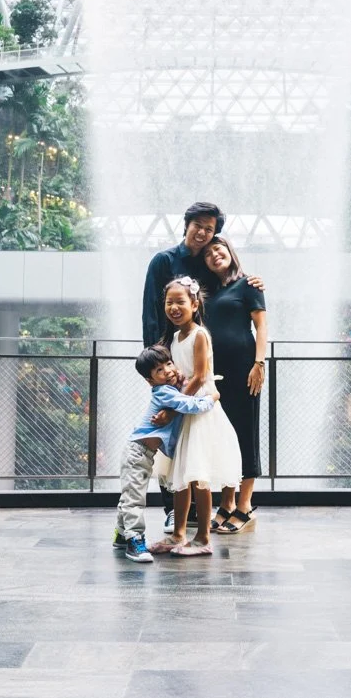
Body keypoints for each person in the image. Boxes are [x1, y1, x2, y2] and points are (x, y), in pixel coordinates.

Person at [151, 277, 242, 556]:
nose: (174, 307)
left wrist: (175, 406)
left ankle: (203, 538)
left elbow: (201, 375)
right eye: (169, 302)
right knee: (181, 474)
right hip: (185, 407)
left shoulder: (199, 334)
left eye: (180, 302)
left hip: (199, 409)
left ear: (194, 304)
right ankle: (178, 534)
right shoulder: (175, 337)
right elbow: (180, 374)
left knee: (198, 475)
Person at [111, 345, 219, 563]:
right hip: (137, 454)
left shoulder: (170, 389)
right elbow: (189, 405)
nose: (167, 370)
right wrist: (212, 397)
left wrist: (182, 381)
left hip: (141, 453)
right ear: (150, 381)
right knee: (135, 498)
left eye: (169, 364)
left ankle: (122, 534)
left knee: (130, 494)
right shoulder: (164, 392)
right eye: (159, 370)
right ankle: (135, 540)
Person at [200, 235, 266, 534]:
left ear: (230, 252)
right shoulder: (210, 292)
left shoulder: (249, 285)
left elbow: (261, 326)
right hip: (217, 372)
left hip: (244, 369)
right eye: (209, 253)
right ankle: (226, 504)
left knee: (245, 432)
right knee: (225, 435)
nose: (215, 254)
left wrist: (259, 363)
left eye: (219, 248)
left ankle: (244, 506)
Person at [140, 202, 222, 346]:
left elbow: (231, 285)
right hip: (168, 347)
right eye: (197, 225)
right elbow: (150, 311)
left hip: (203, 350)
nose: (202, 232)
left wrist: (251, 281)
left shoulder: (212, 264)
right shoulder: (163, 261)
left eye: (209, 229)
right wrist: (154, 354)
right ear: (186, 225)